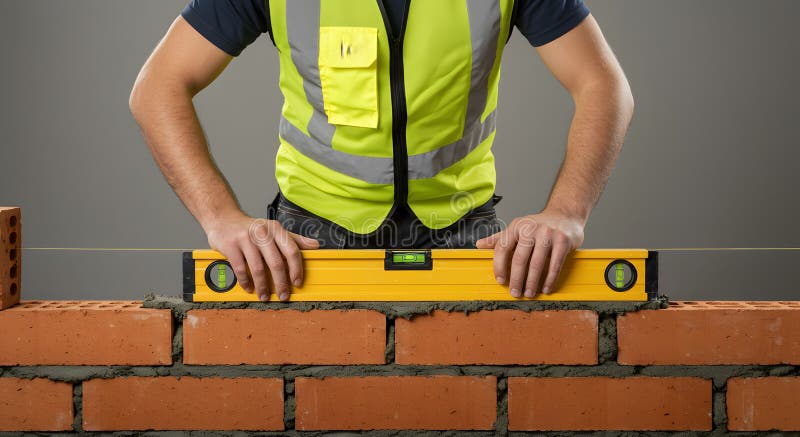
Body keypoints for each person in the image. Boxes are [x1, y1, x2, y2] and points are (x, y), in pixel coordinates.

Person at [130, 0, 634, 302]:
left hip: (467, 239)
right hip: (307, 248)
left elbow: (603, 87)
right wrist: (220, 218)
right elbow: (158, 88)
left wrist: (566, 213)